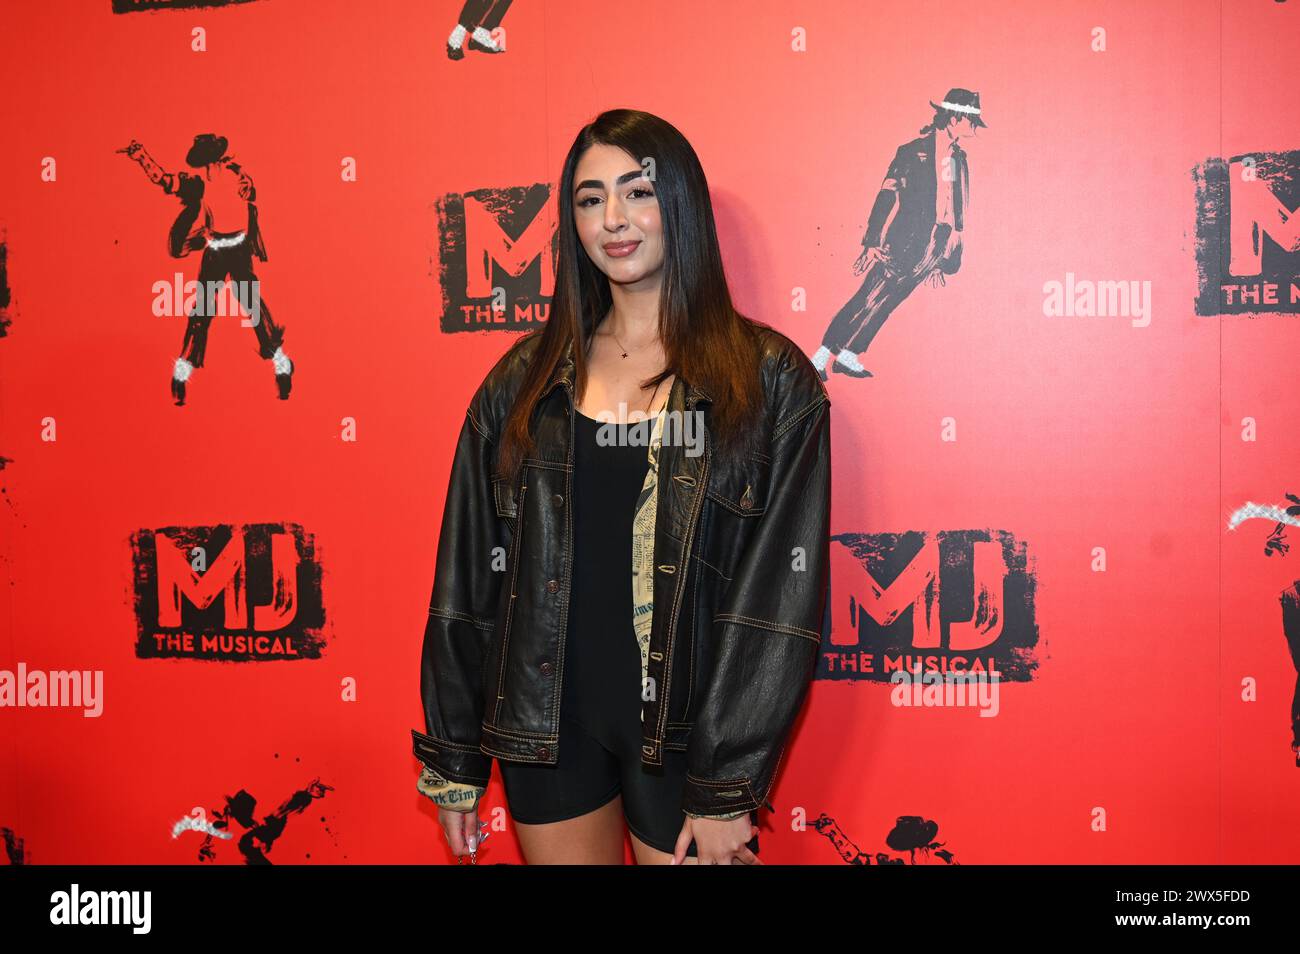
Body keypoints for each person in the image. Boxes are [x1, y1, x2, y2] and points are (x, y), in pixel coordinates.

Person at [413, 108, 832, 864]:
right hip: (548, 728)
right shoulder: (522, 382)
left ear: (681, 205)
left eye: (638, 192)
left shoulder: (769, 381)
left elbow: (776, 603)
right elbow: (468, 579)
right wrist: (454, 761)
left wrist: (726, 782)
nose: (614, 219)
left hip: (688, 736)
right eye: (589, 198)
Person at [809, 88, 986, 381]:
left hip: (935, 246)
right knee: (867, 297)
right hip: (903, 241)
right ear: (954, 118)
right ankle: (820, 357)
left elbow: (958, 208)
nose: (974, 128)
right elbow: (886, 194)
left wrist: (946, 256)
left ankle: (849, 355)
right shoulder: (911, 151)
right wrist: (872, 241)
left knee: (890, 302)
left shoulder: (960, 158)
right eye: (971, 121)